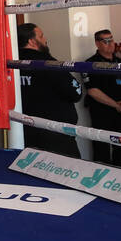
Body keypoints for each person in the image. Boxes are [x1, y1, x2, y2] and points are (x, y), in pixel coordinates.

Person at [16, 22, 81, 158]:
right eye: (41, 36)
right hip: (55, 134)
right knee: (65, 175)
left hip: (25, 131)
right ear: (32, 41)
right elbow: (75, 92)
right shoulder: (46, 62)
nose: (45, 39)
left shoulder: (13, 62)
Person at [82, 29, 121, 167]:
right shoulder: (89, 63)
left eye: (111, 40)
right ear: (97, 44)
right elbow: (93, 91)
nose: (110, 44)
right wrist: (116, 105)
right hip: (102, 113)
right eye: (105, 41)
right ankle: (101, 184)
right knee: (102, 152)